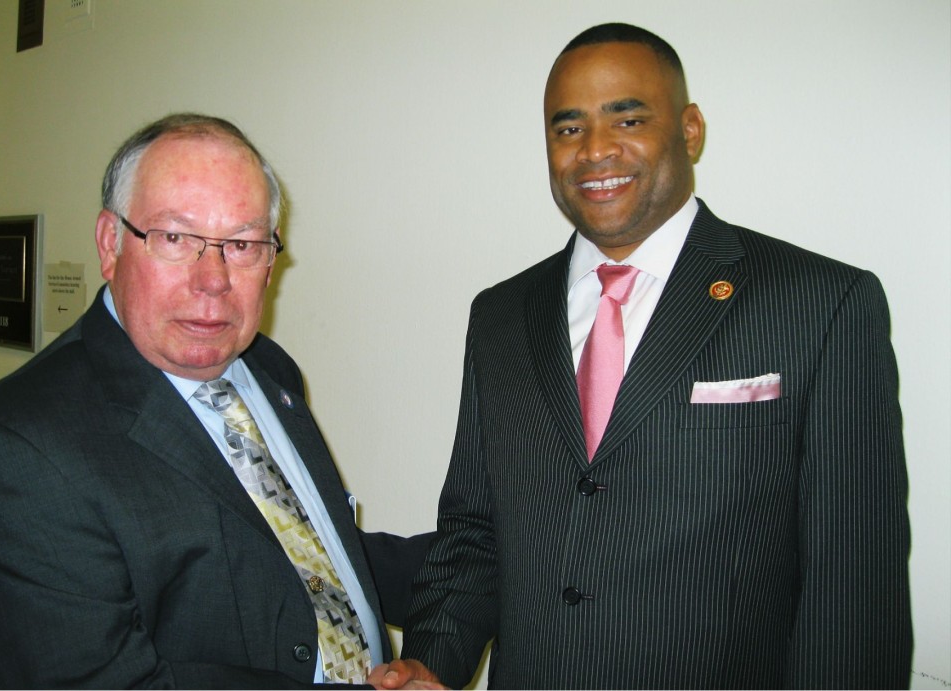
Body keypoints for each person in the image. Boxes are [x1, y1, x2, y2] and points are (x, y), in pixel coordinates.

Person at [373, 22, 912, 690]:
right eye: (567, 129)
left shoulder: (820, 305)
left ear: (690, 129)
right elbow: (476, 533)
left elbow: (854, 583)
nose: (595, 151)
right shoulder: (501, 316)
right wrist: (433, 660)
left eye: (627, 118)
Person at [0, 113, 432, 689]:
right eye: (175, 238)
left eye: (243, 244)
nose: (213, 280)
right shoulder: (12, 448)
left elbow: (301, 547)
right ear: (109, 243)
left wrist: (510, 558)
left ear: (271, 259)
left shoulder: (267, 369)